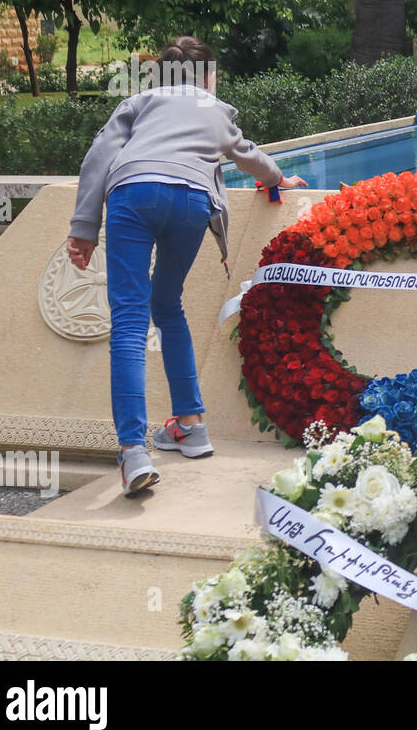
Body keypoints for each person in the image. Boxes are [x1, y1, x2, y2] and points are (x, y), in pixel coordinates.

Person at [65, 37, 307, 496]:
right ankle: (191, 426)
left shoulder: (139, 100)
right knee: (168, 306)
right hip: (193, 202)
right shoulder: (216, 109)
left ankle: (134, 451)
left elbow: (99, 157)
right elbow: (247, 153)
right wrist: (280, 180)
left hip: (133, 195)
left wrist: (82, 226)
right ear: (209, 77)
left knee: (131, 323)